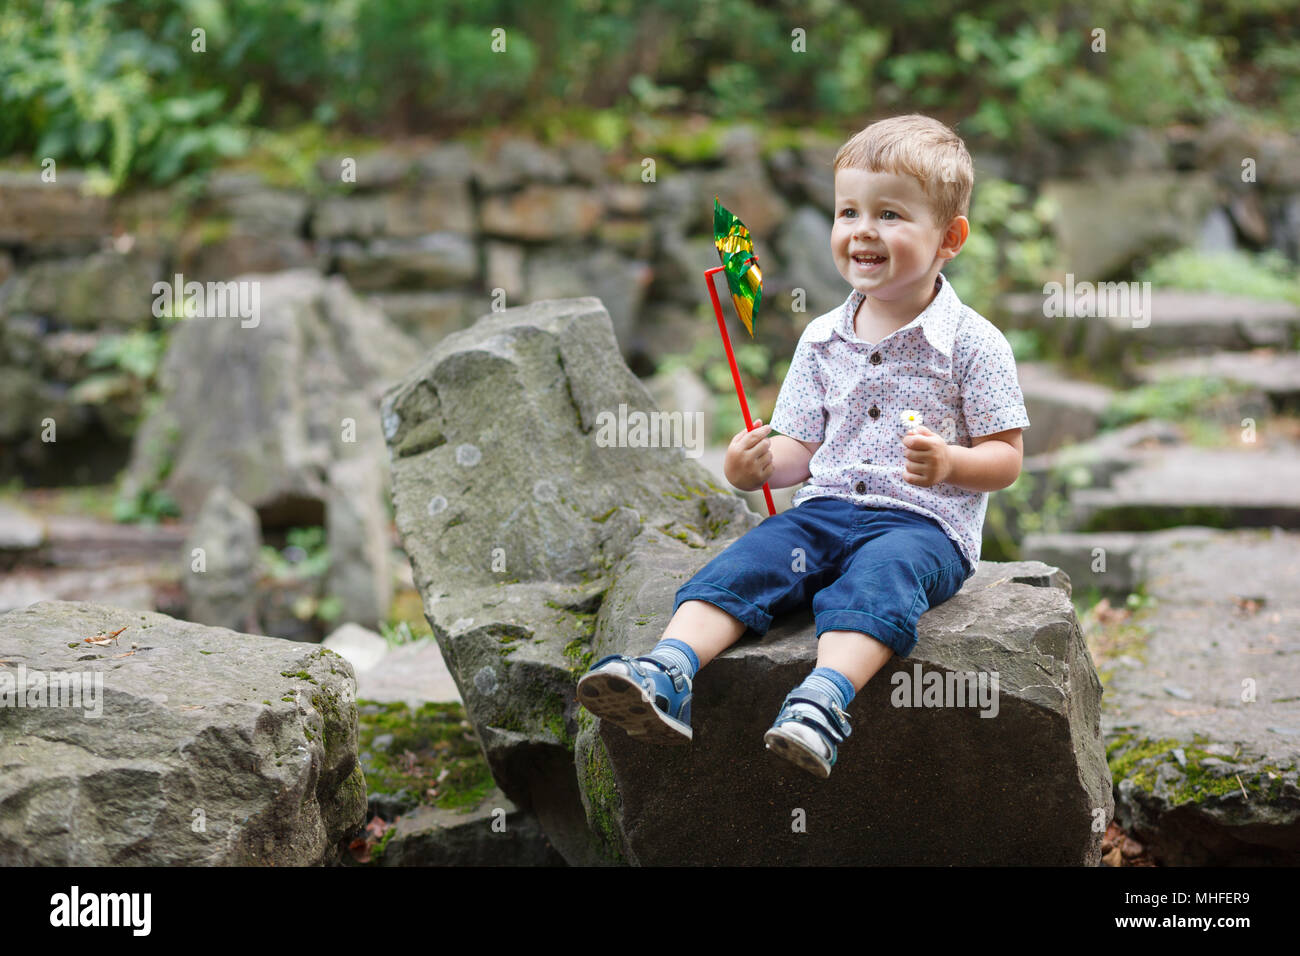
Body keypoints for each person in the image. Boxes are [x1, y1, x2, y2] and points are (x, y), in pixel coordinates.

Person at [577, 113, 1030, 778]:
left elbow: (1007, 459)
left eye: (892, 215)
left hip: (924, 526)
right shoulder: (821, 338)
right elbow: (799, 452)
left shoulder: (974, 343)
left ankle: (822, 700)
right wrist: (751, 464)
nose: (863, 230)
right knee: (751, 560)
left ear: (950, 238)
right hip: (823, 511)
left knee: (880, 583)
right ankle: (667, 669)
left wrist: (952, 464)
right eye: (848, 211)